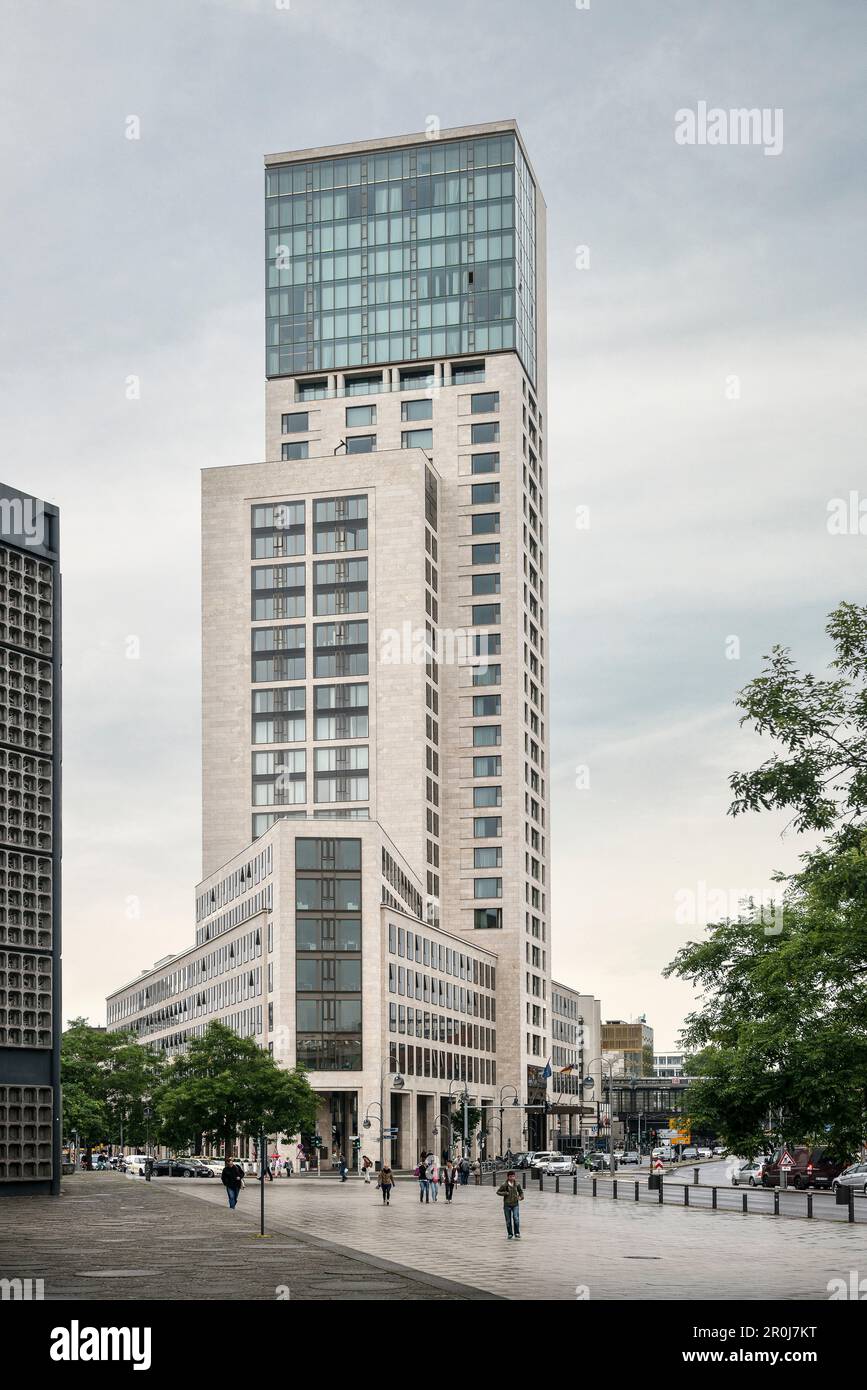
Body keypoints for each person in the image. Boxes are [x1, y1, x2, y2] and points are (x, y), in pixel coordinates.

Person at [496, 1170, 524, 1239]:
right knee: (508, 1220)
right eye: (510, 1176)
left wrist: (521, 1197)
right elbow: (498, 1192)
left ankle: (517, 1233)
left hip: (515, 1204)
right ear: (508, 1177)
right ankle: (510, 1234)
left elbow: (521, 1192)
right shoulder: (504, 1184)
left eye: (513, 1176)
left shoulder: (517, 1184)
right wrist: (505, 1193)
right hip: (507, 1205)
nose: (512, 1178)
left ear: (515, 1177)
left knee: (516, 1218)